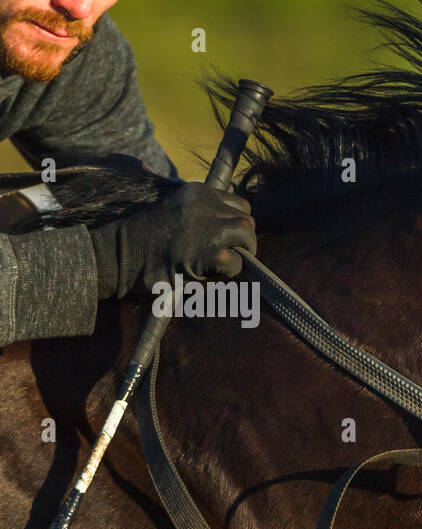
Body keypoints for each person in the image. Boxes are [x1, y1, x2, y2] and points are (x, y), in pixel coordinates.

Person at [0, 0, 255, 348]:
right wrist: (111, 259)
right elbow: (128, 251)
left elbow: (155, 212)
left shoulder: (72, 51)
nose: (78, 7)